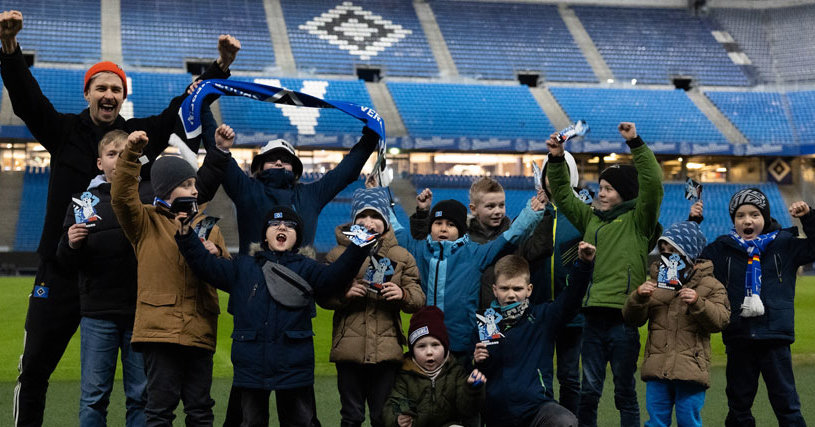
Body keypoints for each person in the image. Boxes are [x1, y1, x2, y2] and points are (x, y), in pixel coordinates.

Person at [0, 10, 241, 425]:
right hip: (58, 271)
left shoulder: (139, 138)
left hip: (122, 281)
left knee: (136, 390)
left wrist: (219, 69)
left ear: (123, 96)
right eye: (101, 87)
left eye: (116, 88)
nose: (109, 94)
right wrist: (8, 47)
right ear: (87, 92)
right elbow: (26, 98)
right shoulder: (62, 132)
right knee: (35, 368)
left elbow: (179, 110)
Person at [176, 205, 372, 426]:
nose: (282, 227)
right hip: (251, 367)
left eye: (290, 226)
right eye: (275, 224)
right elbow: (205, 265)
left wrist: (359, 246)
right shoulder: (243, 267)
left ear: (297, 237)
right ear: (265, 237)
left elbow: (335, 277)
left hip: (294, 367)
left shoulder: (308, 268)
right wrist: (186, 235)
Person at [110, 129, 232, 426]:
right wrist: (130, 156)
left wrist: (216, 255)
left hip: (199, 328)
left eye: (194, 184)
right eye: (187, 184)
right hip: (159, 332)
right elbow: (122, 197)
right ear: (165, 189)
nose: (194, 191)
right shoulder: (145, 221)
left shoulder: (209, 227)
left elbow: (230, 277)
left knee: (200, 410)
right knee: (159, 411)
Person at [546, 122, 663, 427]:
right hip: (593, 319)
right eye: (600, 186)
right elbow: (561, 192)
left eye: (608, 188)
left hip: (624, 319)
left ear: (624, 194)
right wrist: (557, 158)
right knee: (589, 393)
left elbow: (653, 184)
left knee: (624, 393)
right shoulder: (590, 219)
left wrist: (635, 143)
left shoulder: (640, 221)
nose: (600, 192)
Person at [700, 188, 815, 426]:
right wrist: (693, 222)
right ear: (734, 220)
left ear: (765, 217)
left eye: (754, 214)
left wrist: (808, 217)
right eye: (740, 215)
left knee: (787, 406)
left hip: (774, 337)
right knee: (738, 407)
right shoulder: (723, 248)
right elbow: (692, 263)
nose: (747, 220)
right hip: (739, 336)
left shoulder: (786, 243)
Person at [54, 130, 145, 426]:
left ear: (137, 160)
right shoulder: (83, 202)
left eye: (125, 154)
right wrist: (71, 242)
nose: (118, 160)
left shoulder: (148, 196)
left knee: (141, 397)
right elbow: (65, 262)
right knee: (93, 397)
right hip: (97, 313)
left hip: (142, 313)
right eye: (111, 154)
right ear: (99, 163)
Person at [392, 193, 547, 363]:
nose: (443, 228)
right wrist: (377, 194)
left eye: (450, 224)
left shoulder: (475, 253)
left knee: (461, 387)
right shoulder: (419, 251)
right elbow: (395, 230)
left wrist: (531, 213)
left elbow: (508, 238)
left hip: (462, 344)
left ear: (460, 230)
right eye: (438, 223)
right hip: (426, 341)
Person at [318, 186, 426, 427]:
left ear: (386, 220)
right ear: (353, 220)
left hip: (386, 352)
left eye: (376, 216)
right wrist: (344, 295)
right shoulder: (337, 254)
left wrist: (403, 293)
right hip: (349, 350)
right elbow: (322, 295)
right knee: (351, 416)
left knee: (383, 416)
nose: (369, 222)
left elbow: (419, 298)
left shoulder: (402, 256)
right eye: (363, 216)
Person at [198, 126, 380, 255]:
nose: (278, 163)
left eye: (285, 160)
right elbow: (219, 152)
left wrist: (371, 136)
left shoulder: (311, 195)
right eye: (272, 159)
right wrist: (203, 101)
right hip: (252, 293)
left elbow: (346, 171)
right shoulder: (246, 189)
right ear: (259, 167)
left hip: (297, 293)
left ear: (295, 169)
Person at [622, 215, 730, 427]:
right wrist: (638, 298)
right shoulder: (654, 284)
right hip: (657, 367)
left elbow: (721, 320)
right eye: (663, 252)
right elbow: (632, 319)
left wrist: (698, 302)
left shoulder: (711, 285)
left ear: (690, 255)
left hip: (690, 369)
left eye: (673, 252)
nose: (667, 257)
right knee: (656, 422)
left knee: (688, 421)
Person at [473, 243, 596, 427]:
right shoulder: (485, 323)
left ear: (529, 289)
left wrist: (584, 264)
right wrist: (478, 362)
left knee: (565, 421)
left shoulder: (543, 317)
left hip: (537, 410)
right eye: (505, 288)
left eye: (517, 288)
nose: (511, 295)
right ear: (494, 290)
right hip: (498, 413)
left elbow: (572, 298)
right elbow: (479, 375)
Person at [409, 178, 552, 310]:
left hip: (508, 312)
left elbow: (540, 250)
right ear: (473, 208)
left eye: (501, 205)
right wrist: (422, 214)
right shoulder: (461, 239)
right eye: (490, 206)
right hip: (471, 315)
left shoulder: (515, 234)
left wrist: (544, 214)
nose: (497, 211)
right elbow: (426, 246)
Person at [536, 151, 586, 415]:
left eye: (561, 174)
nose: (554, 180)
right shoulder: (535, 213)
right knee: (542, 376)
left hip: (572, 313)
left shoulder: (582, 215)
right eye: (550, 174)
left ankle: (571, 421)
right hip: (541, 309)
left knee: (569, 376)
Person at [382, 306, 486, 427]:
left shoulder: (455, 371)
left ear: (445, 347)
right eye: (421, 346)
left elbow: (467, 409)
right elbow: (395, 402)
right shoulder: (405, 375)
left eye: (435, 345)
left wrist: (472, 389)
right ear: (412, 351)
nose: (429, 352)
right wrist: (399, 418)